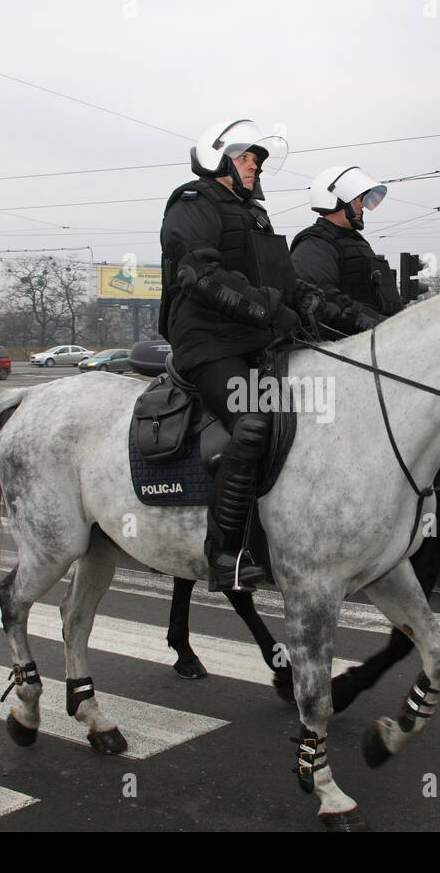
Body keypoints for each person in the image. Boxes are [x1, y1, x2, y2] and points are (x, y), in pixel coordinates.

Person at [159, 119, 374, 590]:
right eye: (245, 157)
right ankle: (225, 553)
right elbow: (197, 274)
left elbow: (293, 289)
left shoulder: (255, 216)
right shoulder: (192, 202)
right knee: (253, 423)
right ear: (216, 159)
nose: (255, 164)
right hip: (208, 342)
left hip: (254, 339)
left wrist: (372, 326)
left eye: (256, 159)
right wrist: (268, 309)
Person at [290, 165, 399, 321]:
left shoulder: (357, 242)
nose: (362, 205)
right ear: (335, 200)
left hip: (373, 339)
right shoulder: (315, 244)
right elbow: (321, 298)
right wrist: (365, 321)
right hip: (338, 342)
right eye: (356, 199)